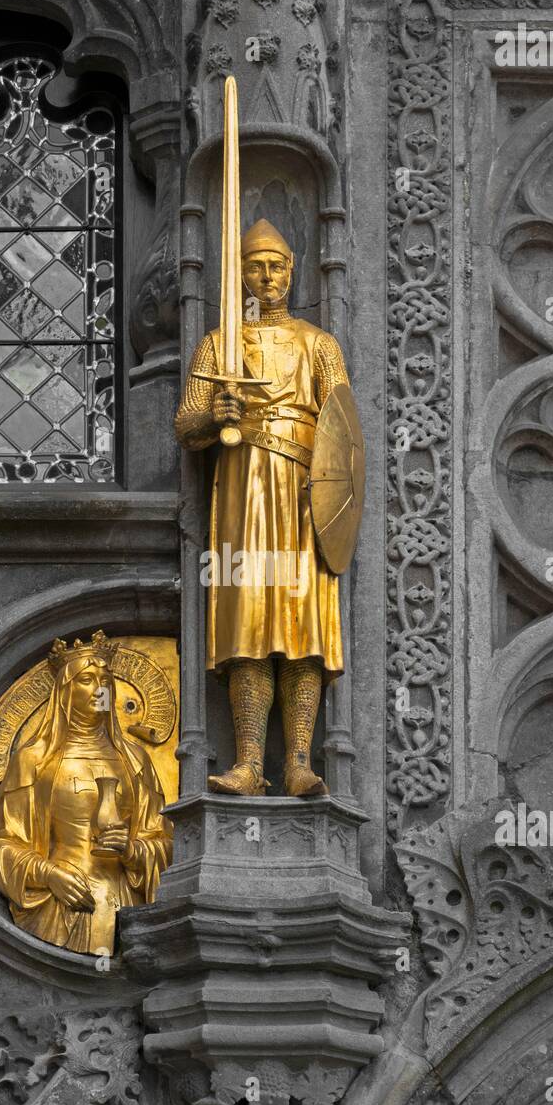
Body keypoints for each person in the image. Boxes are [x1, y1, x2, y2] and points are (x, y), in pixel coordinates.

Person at [176, 218, 350, 796]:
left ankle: (299, 760)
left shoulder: (319, 345)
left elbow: (344, 433)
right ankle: (249, 761)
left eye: (276, 265)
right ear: (240, 274)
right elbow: (186, 424)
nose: (267, 276)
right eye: (255, 266)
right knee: (249, 625)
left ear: (292, 271)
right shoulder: (220, 343)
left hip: (303, 496)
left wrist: (326, 497)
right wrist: (218, 415)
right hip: (243, 491)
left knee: (302, 629)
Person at [0, 634, 173, 955]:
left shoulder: (136, 760)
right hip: (62, 903)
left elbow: (166, 843)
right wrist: (49, 874)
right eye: (85, 679)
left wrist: (133, 851)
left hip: (124, 904)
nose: (99, 688)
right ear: (65, 692)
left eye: (105, 680)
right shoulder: (35, 760)